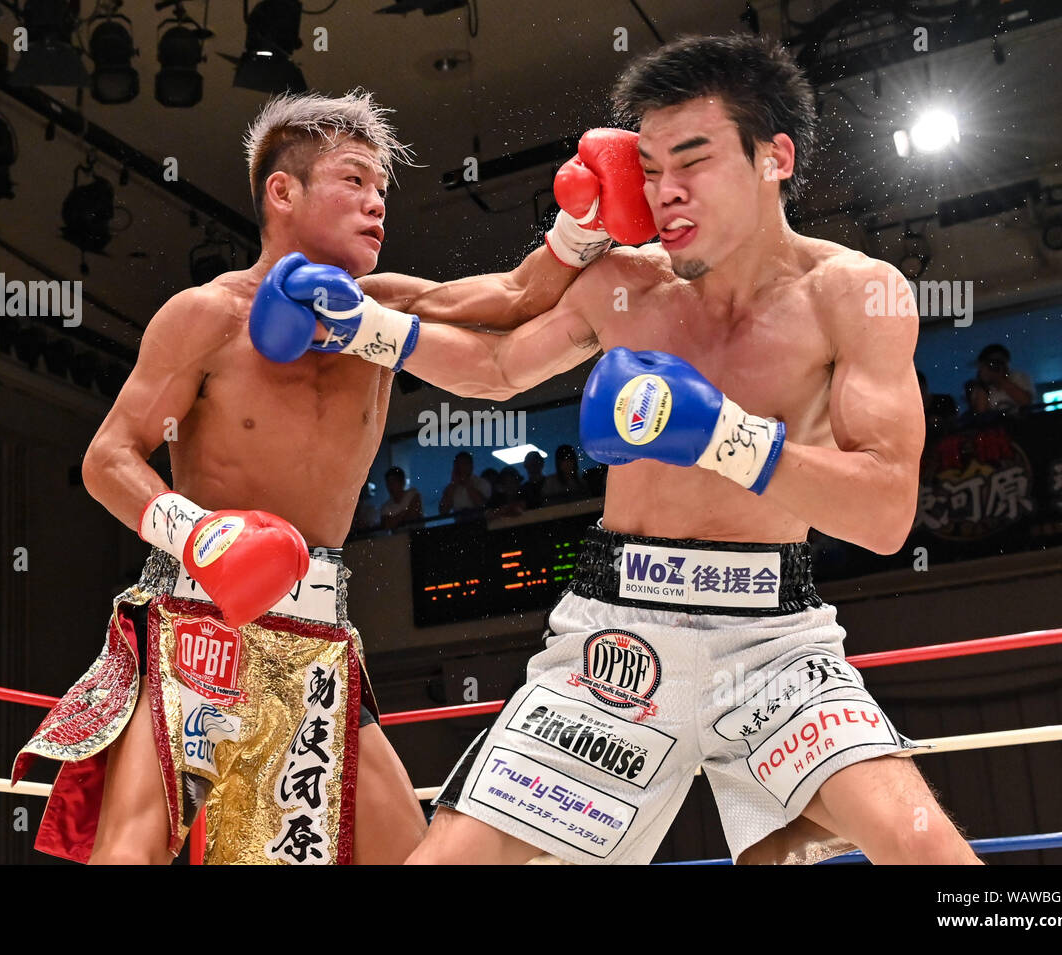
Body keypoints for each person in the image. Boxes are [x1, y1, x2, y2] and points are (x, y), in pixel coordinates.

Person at [297, 36, 979, 865]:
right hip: (609, 642)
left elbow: (883, 513)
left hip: (774, 647)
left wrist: (722, 437)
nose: (664, 193)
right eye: (649, 168)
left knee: (932, 854)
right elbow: (497, 364)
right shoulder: (629, 284)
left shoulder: (854, 295)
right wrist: (352, 323)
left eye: (692, 161)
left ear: (775, 157)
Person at [12, 88, 627, 865]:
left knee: (415, 854)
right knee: (130, 848)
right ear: (283, 191)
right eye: (354, 181)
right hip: (199, 618)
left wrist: (583, 223)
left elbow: (512, 298)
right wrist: (199, 533)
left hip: (319, 635)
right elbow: (107, 458)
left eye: (381, 190)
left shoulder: (382, 310)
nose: (376, 204)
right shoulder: (208, 315)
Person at [974, 343, 1033, 411]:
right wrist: (984, 383)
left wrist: (1000, 379)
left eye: (999, 361)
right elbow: (981, 413)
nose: (995, 365)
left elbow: (1026, 402)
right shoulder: (981, 386)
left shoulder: (1019, 377)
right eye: (991, 362)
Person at [439, 451, 492, 516]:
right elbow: (443, 511)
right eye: (457, 464)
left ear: (471, 466)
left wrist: (468, 486)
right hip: (460, 524)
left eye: (463, 464)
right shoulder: (450, 488)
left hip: (479, 523)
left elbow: (483, 505)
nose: (460, 468)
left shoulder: (482, 483)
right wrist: (453, 486)